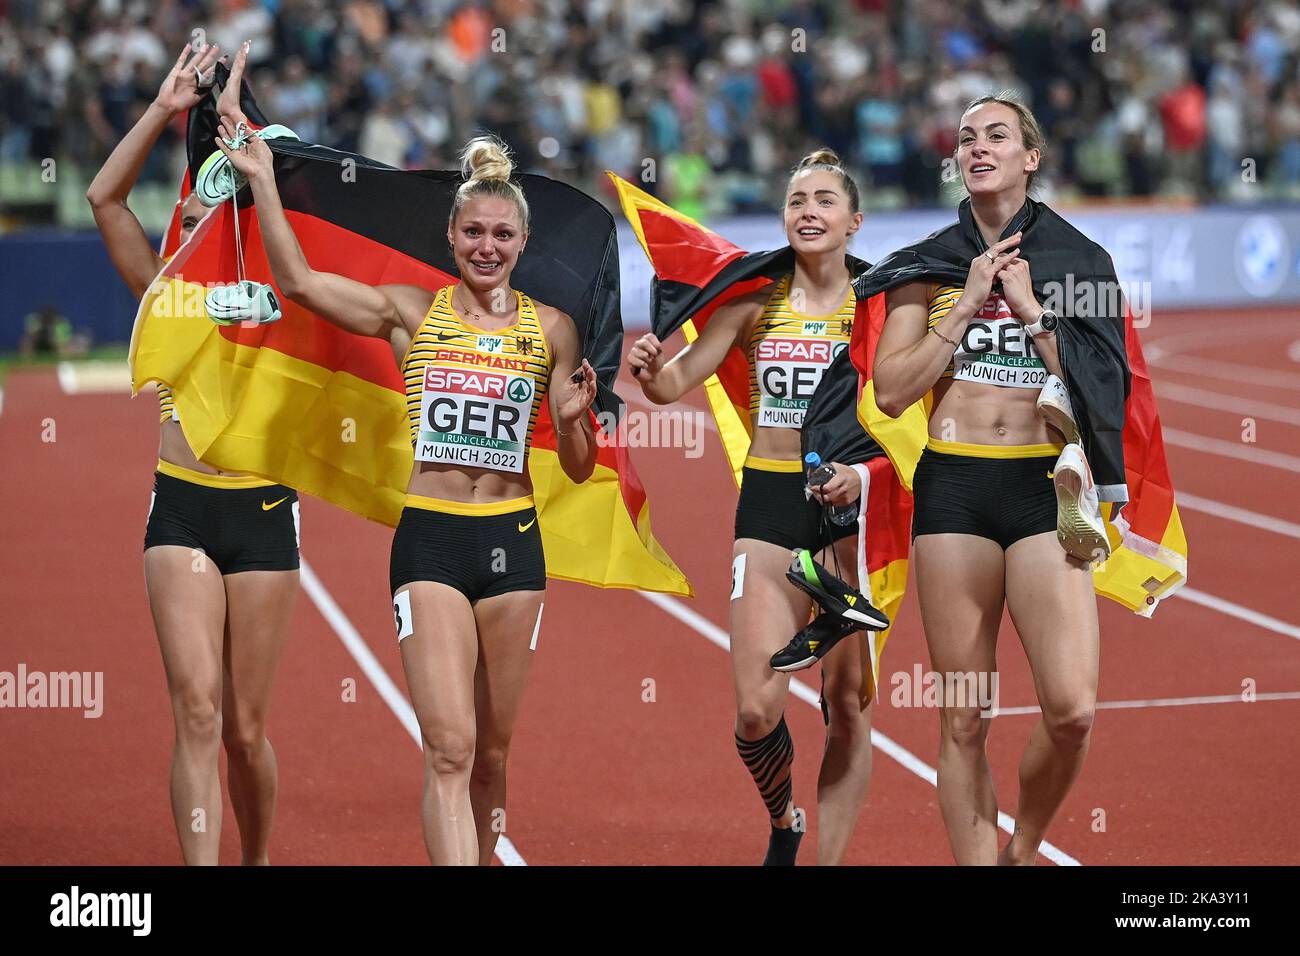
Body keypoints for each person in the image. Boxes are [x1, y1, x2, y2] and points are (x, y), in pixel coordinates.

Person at [215, 90, 598, 864]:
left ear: (523, 241)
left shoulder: (552, 329)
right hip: (430, 544)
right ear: (451, 236)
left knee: (491, 756)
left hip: (514, 547)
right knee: (450, 749)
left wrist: (576, 418)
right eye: (472, 232)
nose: (486, 246)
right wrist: (261, 179)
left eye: (501, 234)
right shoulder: (411, 314)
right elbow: (300, 285)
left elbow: (582, 465)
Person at [872, 94, 1113, 865]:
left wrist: (1032, 313)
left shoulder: (1081, 261)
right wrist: (967, 304)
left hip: (1046, 493)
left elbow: (1106, 389)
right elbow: (890, 390)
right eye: (966, 138)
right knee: (964, 719)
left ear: (1030, 157)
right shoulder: (928, 263)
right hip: (955, 494)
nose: (978, 147)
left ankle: (1024, 846)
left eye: (997, 136)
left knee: (1072, 709)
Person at [627, 149, 878, 865]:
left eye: (826, 200)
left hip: (849, 512)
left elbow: (905, 413)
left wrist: (866, 479)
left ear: (853, 222)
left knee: (851, 703)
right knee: (755, 709)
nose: (809, 211)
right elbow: (676, 383)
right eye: (798, 200)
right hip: (770, 503)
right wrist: (651, 372)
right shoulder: (752, 297)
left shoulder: (881, 303)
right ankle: (784, 817)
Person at [86, 41, 301, 865]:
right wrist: (168, 106)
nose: (207, 218)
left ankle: (255, 859)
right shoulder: (166, 287)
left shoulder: (290, 274)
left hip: (264, 509)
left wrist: (254, 151)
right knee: (198, 714)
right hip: (181, 504)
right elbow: (107, 198)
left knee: (245, 732)